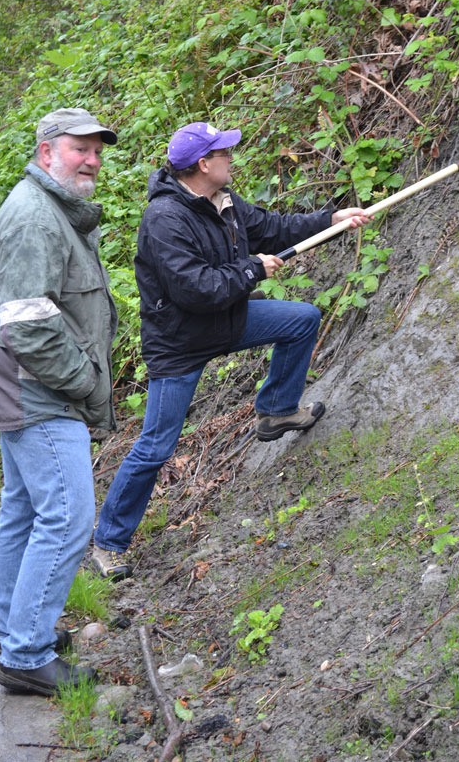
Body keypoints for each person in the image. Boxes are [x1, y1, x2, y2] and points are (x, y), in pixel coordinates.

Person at [91, 121, 370, 580]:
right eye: (224, 153)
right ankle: (109, 542)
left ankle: (277, 411)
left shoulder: (224, 202)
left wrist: (331, 220)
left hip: (227, 321)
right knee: (156, 446)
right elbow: (196, 289)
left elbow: (273, 227)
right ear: (204, 164)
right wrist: (252, 270)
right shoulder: (164, 219)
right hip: (180, 344)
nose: (231, 158)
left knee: (301, 319)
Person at [0, 107, 118, 696]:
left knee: (23, 509)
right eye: (79, 149)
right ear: (46, 153)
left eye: (96, 151)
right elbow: (31, 327)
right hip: (36, 385)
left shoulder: (51, 209)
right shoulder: (36, 218)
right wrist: (85, 382)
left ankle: (18, 632)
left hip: (21, 378)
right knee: (66, 517)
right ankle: (26, 654)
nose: (91, 160)